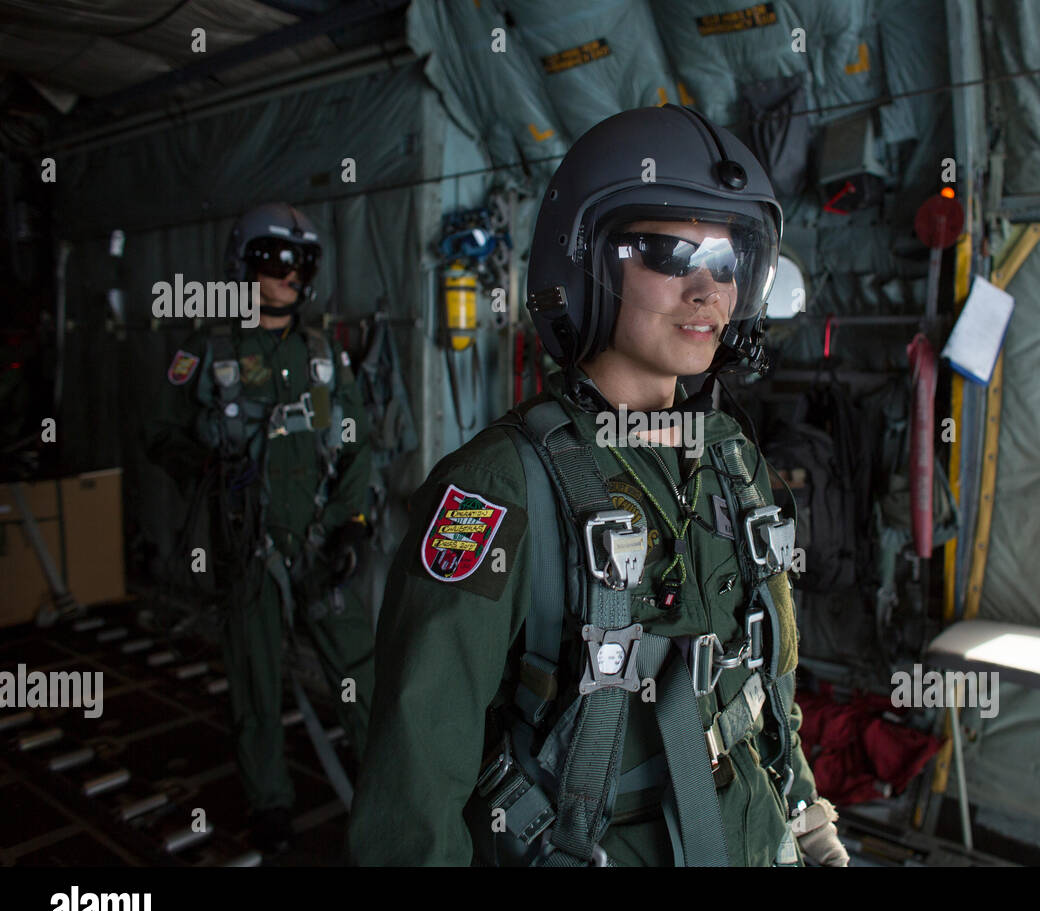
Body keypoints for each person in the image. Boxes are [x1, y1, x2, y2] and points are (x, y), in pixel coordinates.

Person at [348, 105, 850, 866]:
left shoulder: (729, 457)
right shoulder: (500, 487)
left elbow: (760, 681)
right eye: (667, 250)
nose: (707, 287)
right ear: (584, 262)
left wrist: (804, 816)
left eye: (727, 256)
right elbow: (414, 788)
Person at [147, 202, 375, 855]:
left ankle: (385, 779)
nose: (290, 275)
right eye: (276, 260)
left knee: (361, 669)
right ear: (242, 266)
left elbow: (357, 441)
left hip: (323, 540)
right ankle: (270, 803)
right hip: (248, 543)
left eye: (302, 262)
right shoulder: (204, 351)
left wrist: (354, 523)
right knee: (254, 676)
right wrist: (208, 470)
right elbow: (158, 434)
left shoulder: (324, 353)